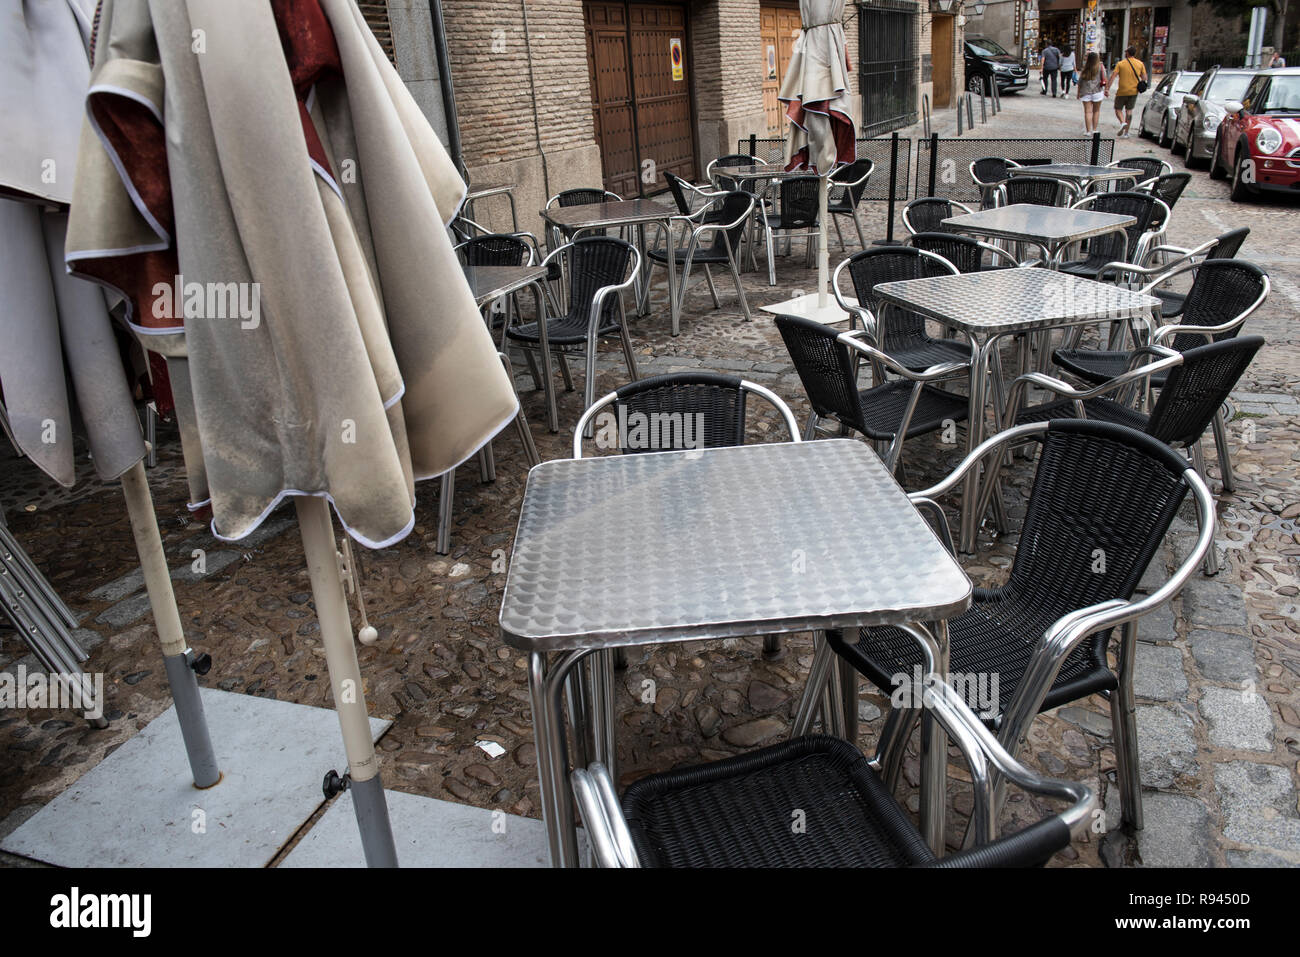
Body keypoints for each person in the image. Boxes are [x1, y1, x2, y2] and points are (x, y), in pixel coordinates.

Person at [1107, 45, 1147, 136]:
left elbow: (1113, 76)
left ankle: (1122, 122)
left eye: (1126, 52)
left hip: (1122, 91)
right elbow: (1144, 78)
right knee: (1129, 111)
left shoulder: (1120, 64)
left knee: (1118, 109)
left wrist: (1107, 88)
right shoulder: (1140, 64)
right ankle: (1126, 132)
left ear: (1127, 53)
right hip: (1134, 91)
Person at [1077, 51, 1108, 135]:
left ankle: (1088, 131)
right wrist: (1106, 90)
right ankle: (1094, 129)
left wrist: (1078, 93)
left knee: (1087, 112)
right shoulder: (1100, 67)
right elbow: (1104, 78)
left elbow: (1080, 82)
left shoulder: (1085, 68)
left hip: (1085, 92)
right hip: (1097, 91)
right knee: (1096, 111)